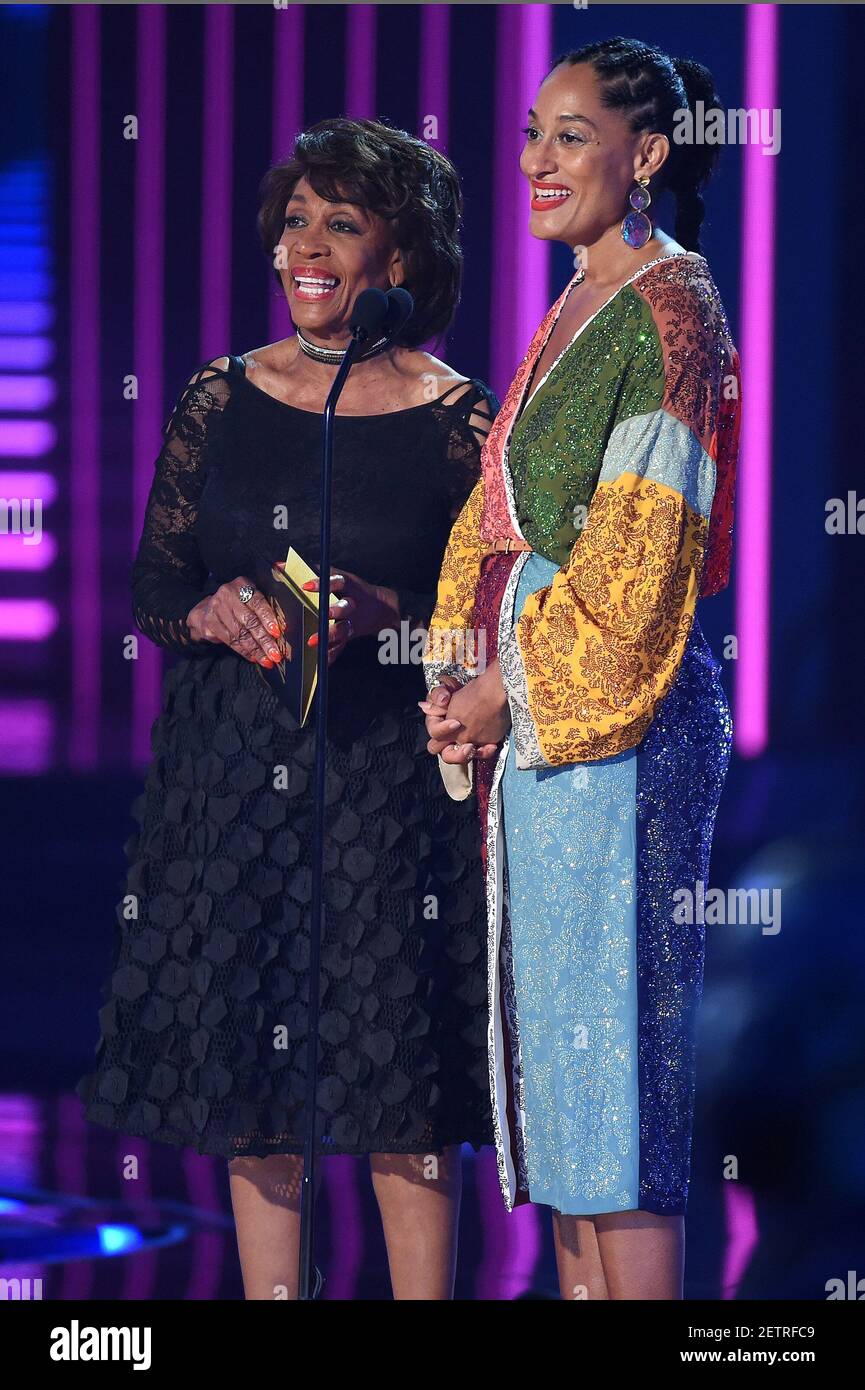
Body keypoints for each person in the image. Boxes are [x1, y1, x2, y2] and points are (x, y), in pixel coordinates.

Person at [77, 117, 498, 1301]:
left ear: (400, 258)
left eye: (341, 224)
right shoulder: (222, 393)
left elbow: (490, 623)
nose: (305, 246)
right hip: (230, 772)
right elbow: (153, 588)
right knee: (248, 1058)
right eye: (295, 220)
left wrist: (390, 612)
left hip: (382, 781)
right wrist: (204, 613)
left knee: (388, 1064)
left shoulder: (463, 421)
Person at [421, 39, 740, 1301]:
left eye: (571, 135)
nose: (535, 162)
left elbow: (639, 548)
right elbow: (497, 529)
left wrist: (509, 685)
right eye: (531, 132)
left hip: (620, 730)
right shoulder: (578, 302)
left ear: (645, 155)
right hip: (544, 741)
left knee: (616, 1108)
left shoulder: (674, 303)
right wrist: (457, 678)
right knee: (559, 1115)